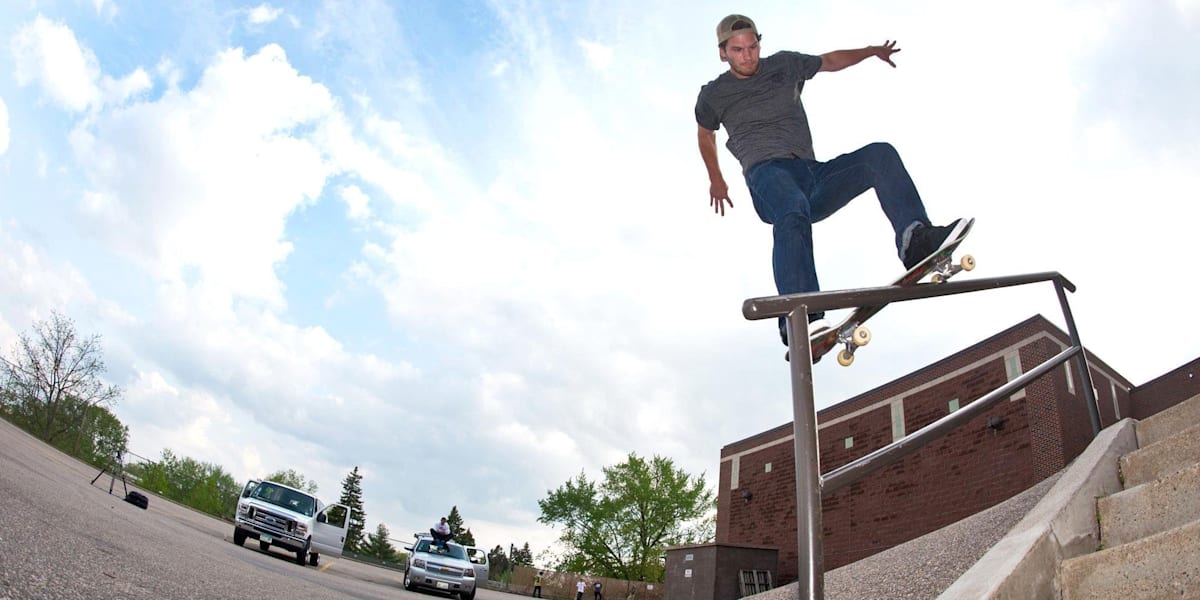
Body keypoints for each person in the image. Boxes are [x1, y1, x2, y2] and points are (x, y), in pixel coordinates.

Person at [695, 14, 969, 350]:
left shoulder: (784, 65)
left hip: (813, 176)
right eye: (738, 50)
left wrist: (870, 51)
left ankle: (916, 241)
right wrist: (716, 178)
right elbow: (705, 133)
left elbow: (830, 60)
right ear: (723, 53)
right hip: (767, 176)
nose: (748, 56)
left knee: (879, 156)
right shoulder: (714, 94)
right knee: (791, 208)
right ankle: (801, 316)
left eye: (753, 47)